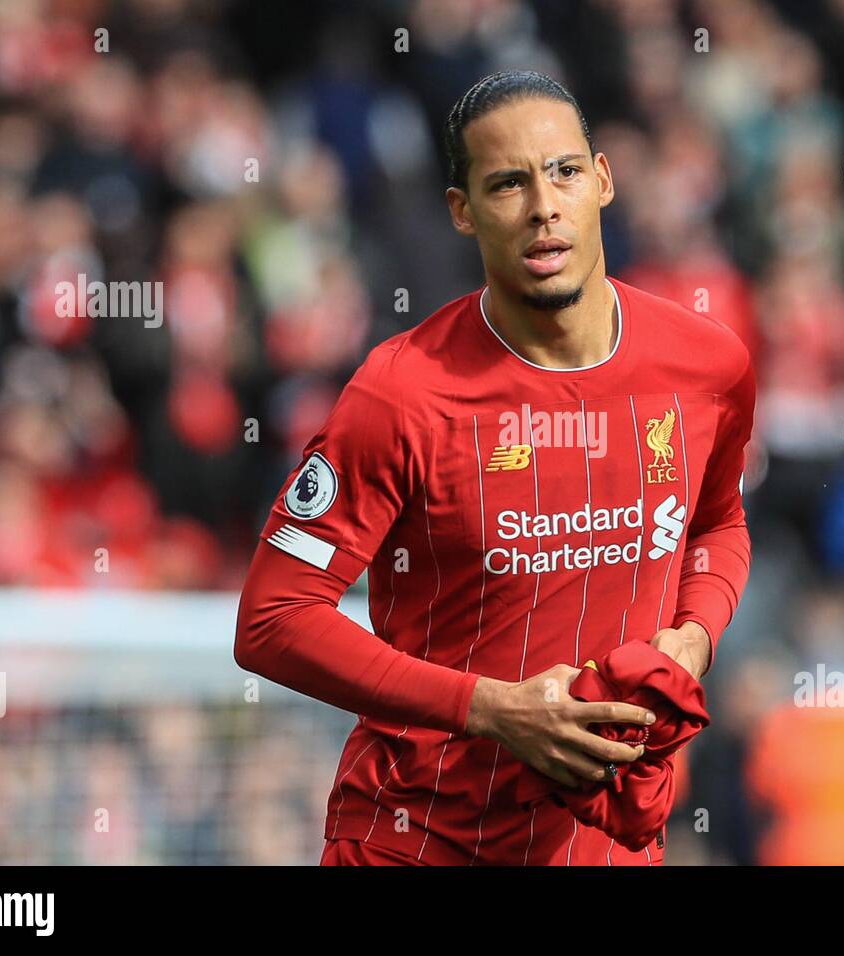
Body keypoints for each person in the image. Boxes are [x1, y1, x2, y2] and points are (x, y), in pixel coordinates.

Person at [234, 70, 755, 865]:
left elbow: (717, 521)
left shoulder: (707, 364)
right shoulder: (401, 393)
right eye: (508, 183)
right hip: (419, 841)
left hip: (607, 851)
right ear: (462, 211)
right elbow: (274, 620)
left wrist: (695, 637)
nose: (544, 204)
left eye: (564, 172)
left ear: (604, 180)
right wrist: (489, 708)